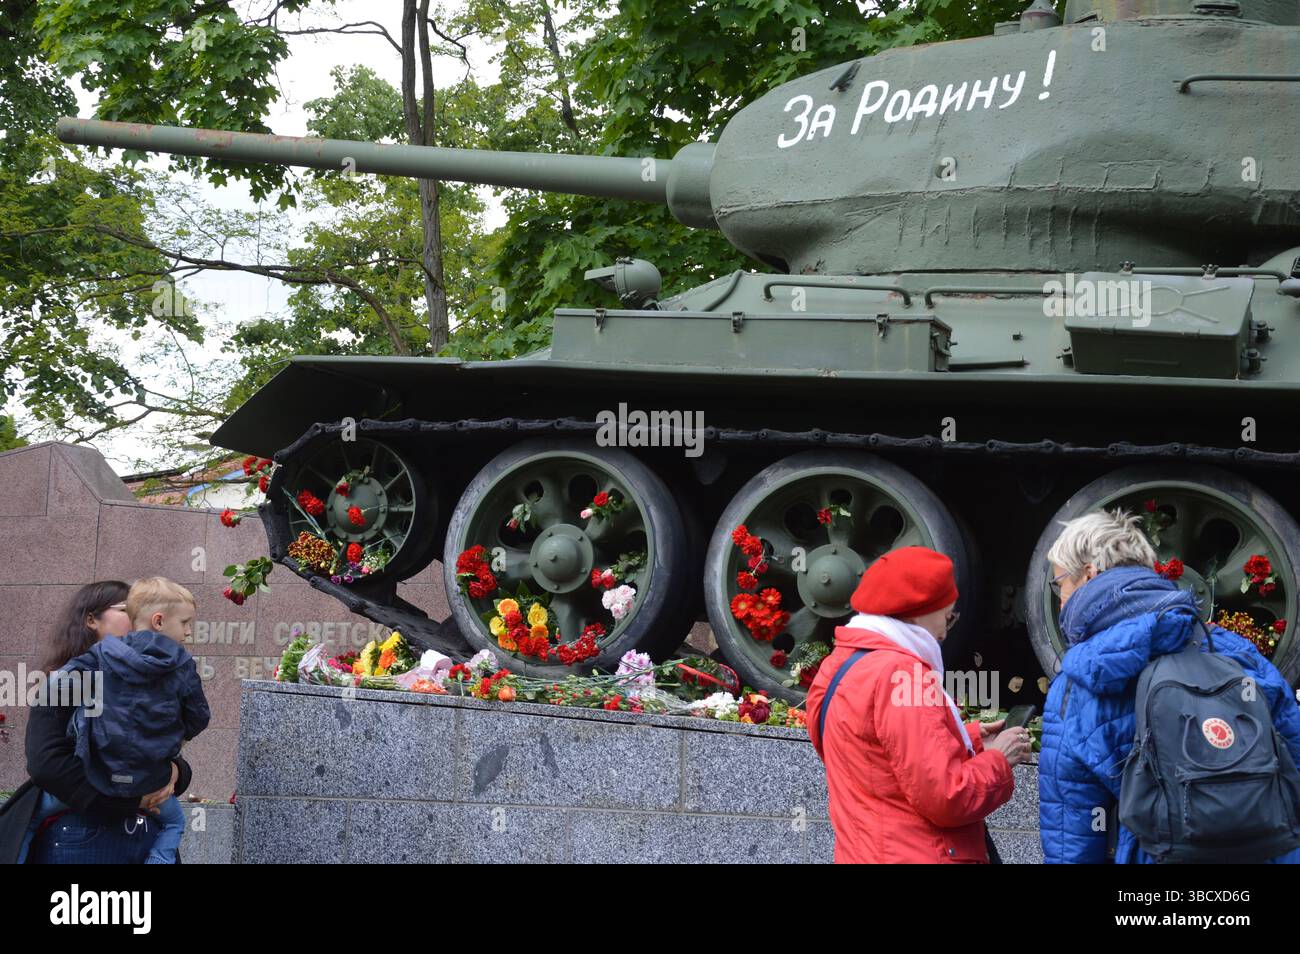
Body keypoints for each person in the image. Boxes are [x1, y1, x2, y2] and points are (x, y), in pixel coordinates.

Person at [1038, 508, 1300, 863]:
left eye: (1060, 583)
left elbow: (1074, 834)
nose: (1060, 599)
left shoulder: (1079, 682)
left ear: (1089, 574)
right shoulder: (1236, 651)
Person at [807, 546, 1030, 863]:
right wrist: (998, 760)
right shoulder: (905, 675)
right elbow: (947, 797)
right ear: (916, 611)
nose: (944, 629)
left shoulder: (839, 664)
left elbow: (873, 754)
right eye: (946, 615)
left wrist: (972, 739)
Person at [0, 581, 199, 864]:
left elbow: (167, 748)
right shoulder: (73, 678)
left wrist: (176, 772)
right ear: (91, 619)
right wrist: (128, 800)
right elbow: (47, 762)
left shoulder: (151, 677)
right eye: (125, 609)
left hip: (143, 834)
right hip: (82, 834)